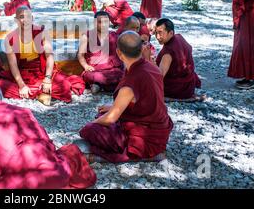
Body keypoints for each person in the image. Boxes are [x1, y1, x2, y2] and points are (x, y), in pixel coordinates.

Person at [0, 84, 97, 189]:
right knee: (70, 151)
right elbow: (47, 143)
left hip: (19, 181)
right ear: (1, 99)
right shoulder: (23, 111)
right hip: (55, 174)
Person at [79, 31, 173, 162]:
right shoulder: (152, 67)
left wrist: (91, 124)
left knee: (90, 130)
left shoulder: (130, 84)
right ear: (141, 48)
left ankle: (145, 154)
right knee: (102, 113)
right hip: (160, 128)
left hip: (144, 138)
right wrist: (112, 107)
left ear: (119, 53)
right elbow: (143, 99)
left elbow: (110, 119)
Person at [0, 6, 85, 105]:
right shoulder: (10, 38)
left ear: (32, 18)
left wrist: (47, 79)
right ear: (16, 20)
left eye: (28, 17)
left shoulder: (41, 33)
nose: (25, 20)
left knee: (64, 86)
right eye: (21, 17)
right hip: (23, 73)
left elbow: (49, 57)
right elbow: (13, 65)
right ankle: (41, 94)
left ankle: (33, 93)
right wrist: (21, 85)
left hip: (41, 70)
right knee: (0, 85)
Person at [148, 18, 201, 100]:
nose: (157, 37)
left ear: (171, 33)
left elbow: (159, 76)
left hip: (177, 89)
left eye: (160, 33)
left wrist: (147, 59)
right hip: (189, 84)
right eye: (156, 33)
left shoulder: (168, 52)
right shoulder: (179, 37)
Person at [78, 11, 124, 94]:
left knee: (121, 74)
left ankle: (99, 86)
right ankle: (108, 86)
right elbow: (80, 55)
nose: (103, 25)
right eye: (100, 22)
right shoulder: (87, 36)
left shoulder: (114, 35)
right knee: (93, 76)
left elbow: (122, 53)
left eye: (106, 22)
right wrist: (85, 66)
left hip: (112, 69)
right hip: (95, 70)